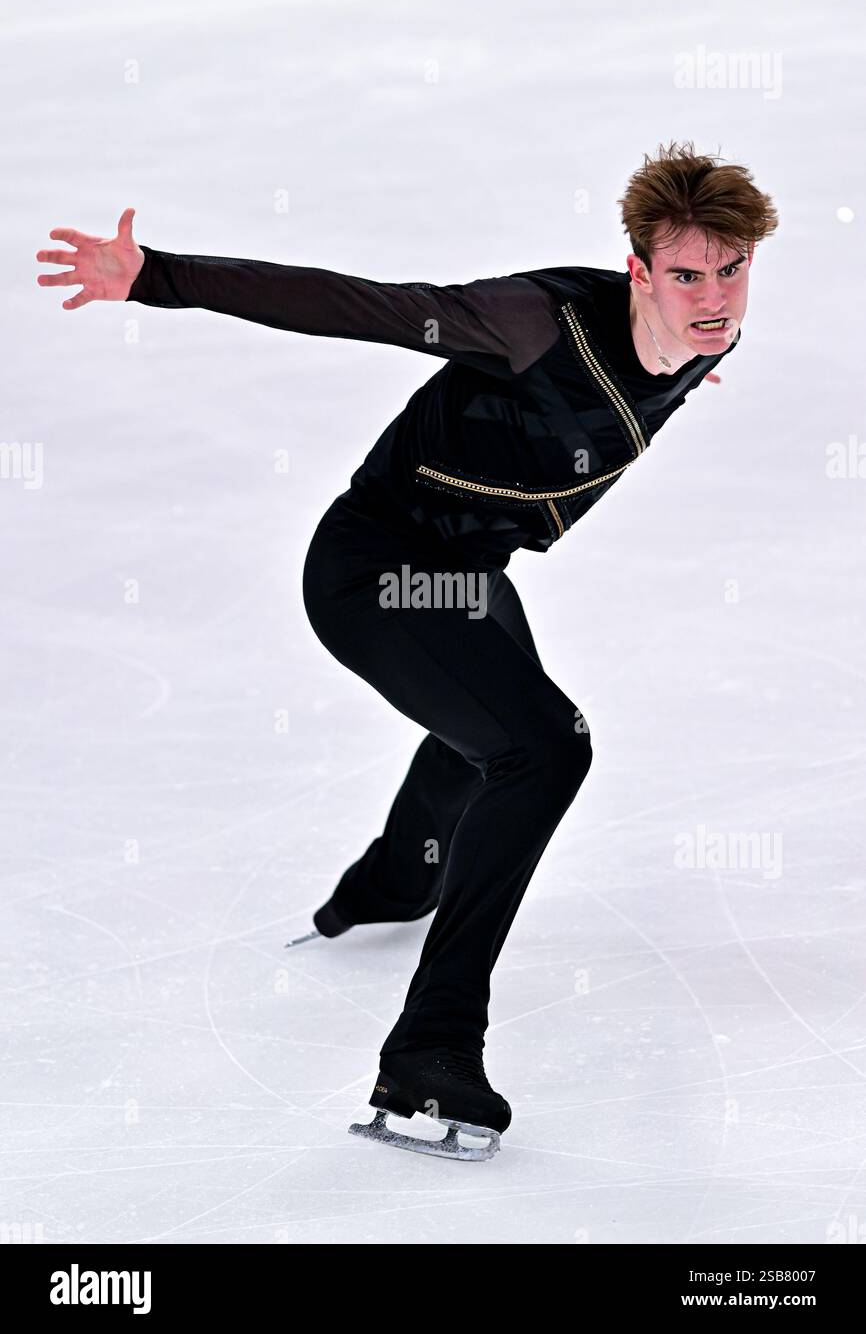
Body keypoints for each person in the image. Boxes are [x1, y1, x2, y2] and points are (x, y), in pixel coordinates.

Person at [36, 139, 778, 1161]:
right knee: (543, 747)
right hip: (369, 570)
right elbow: (360, 304)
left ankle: (385, 887)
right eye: (685, 274)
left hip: (467, 570)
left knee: (492, 732)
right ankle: (427, 1054)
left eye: (729, 271)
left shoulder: (710, 339)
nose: (710, 298)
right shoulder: (526, 325)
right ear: (636, 274)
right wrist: (154, 276)